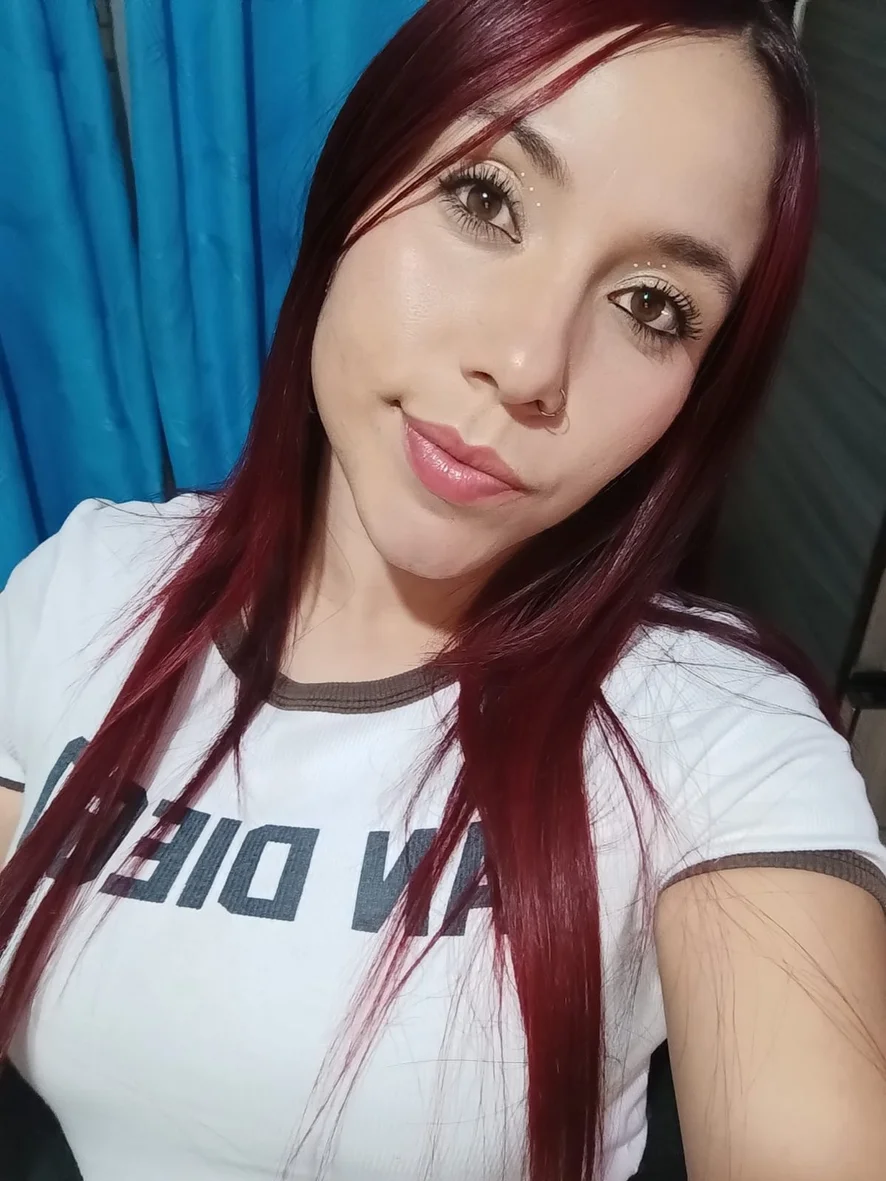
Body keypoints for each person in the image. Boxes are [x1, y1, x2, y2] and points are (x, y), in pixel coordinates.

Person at [1, 1, 885, 1178]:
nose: (526, 365)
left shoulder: (711, 726)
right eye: (484, 197)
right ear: (356, 182)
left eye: (651, 306)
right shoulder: (90, 582)